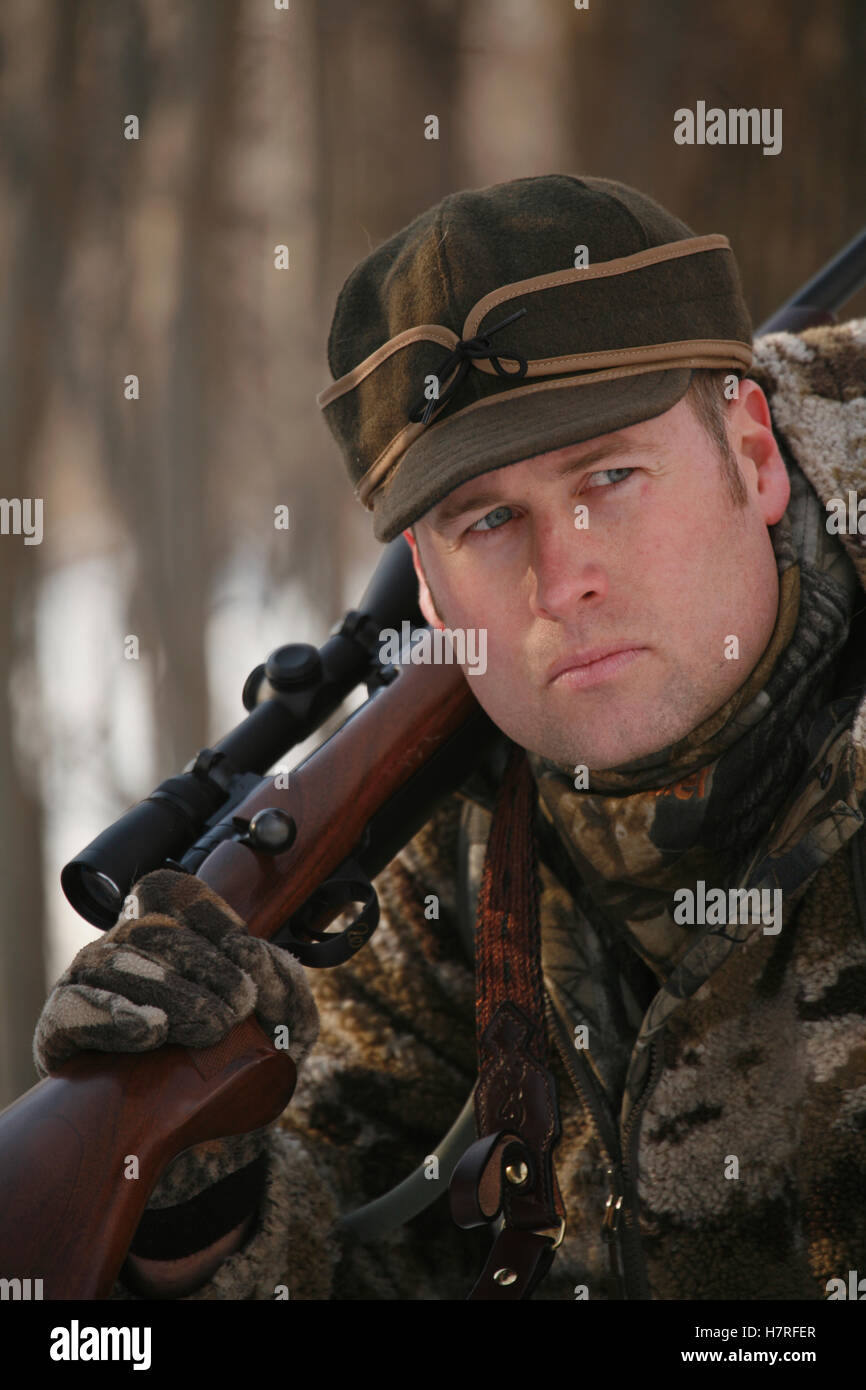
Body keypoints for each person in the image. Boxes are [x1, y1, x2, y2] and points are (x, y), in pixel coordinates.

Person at [33, 174, 866, 1300]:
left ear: (752, 458)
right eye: (486, 519)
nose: (561, 578)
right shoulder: (448, 832)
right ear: (426, 585)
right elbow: (359, 1253)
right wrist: (196, 1211)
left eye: (609, 476)